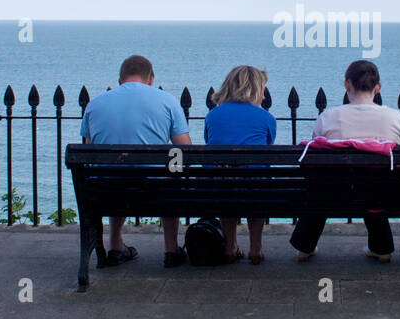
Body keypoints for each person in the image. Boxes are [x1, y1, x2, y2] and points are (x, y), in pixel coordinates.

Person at [290, 59, 400, 262]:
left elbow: (315, 160)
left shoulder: (328, 117)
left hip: (331, 195)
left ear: (347, 84)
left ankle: (305, 245)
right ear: (378, 88)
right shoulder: (397, 118)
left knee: (323, 185)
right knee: (374, 184)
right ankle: (381, 248)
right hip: (381, 195)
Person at [79, 54, 192, 267]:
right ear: (150, 79)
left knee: (112, 172)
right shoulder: (167, 100)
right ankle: (170, 249)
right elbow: (184, 148)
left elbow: (88, 149)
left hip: (105, 192)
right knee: (172, 177)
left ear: (120, 80)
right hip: (155, 190)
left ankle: (114, 245)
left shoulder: (94, 105)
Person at [204, 65, 277, 264]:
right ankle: (256, 248)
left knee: (226, 184)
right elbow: (267, 147)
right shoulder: (266, 118)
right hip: (254, 187)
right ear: (255, 90)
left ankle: (229, 247)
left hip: (219, 186)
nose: (263, 96)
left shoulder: (213, 115)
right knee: (256, 184)